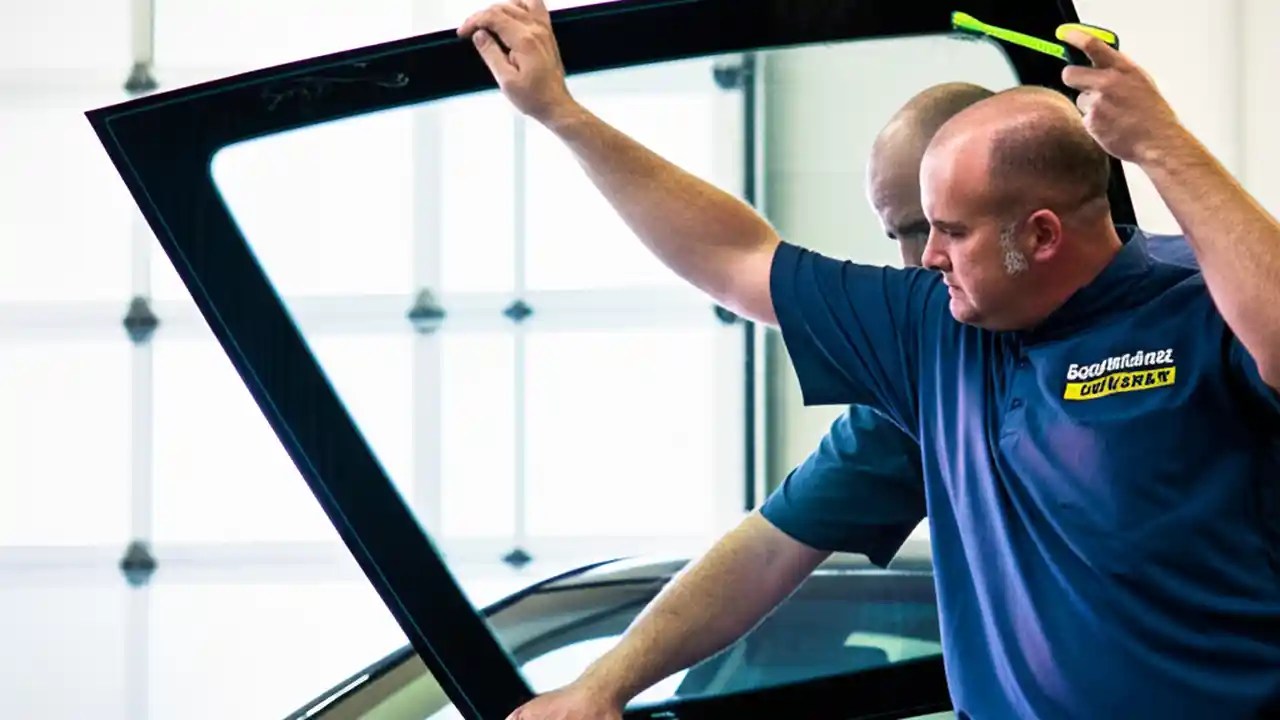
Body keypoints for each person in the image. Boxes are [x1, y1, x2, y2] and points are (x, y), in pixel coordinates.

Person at [461, 3, 1280, 718]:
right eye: (911, 228)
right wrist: (562, 114)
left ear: (1040, 233)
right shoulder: (932, 332)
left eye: (945, 231)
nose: (921, 259)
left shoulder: (1202, 302)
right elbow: (736, 258)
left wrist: (1162, 144)